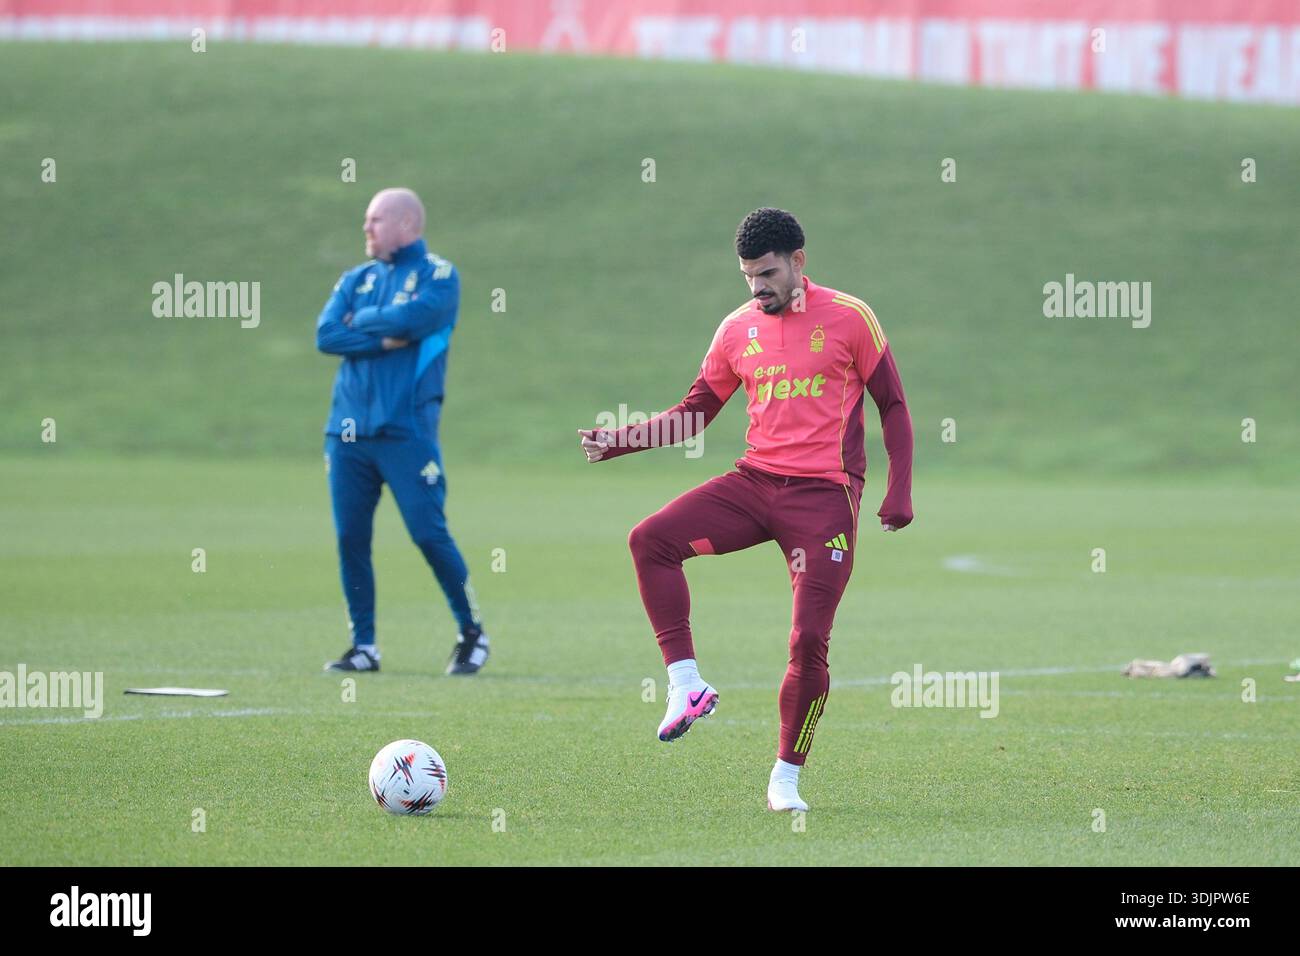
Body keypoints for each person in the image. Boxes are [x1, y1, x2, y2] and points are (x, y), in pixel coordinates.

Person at [579, 207, 913, 811]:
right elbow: (697, 411)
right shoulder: (737, 329)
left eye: (767, 273)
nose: (758, 287)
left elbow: (892, 405)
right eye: (747, 277)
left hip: (823, 499)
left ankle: (785, 777)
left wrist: (899, 490)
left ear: (798, 263)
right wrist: (620, 439)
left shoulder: (851, 317)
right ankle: (686, 686)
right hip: (754, 483)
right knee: (650, 540)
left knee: (808, 639)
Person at [316, 187, 489, 676]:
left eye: (374, 220)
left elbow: (416, 318)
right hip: (346, 434)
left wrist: (364, 323)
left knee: (427, 532)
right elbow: (327, 334)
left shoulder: (438, 275)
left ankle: (471, 632)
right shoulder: (356, 278)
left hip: (407, 433)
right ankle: (364, 645)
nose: (366, 229)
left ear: (407, 224)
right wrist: (384, 338)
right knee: (350, 536)